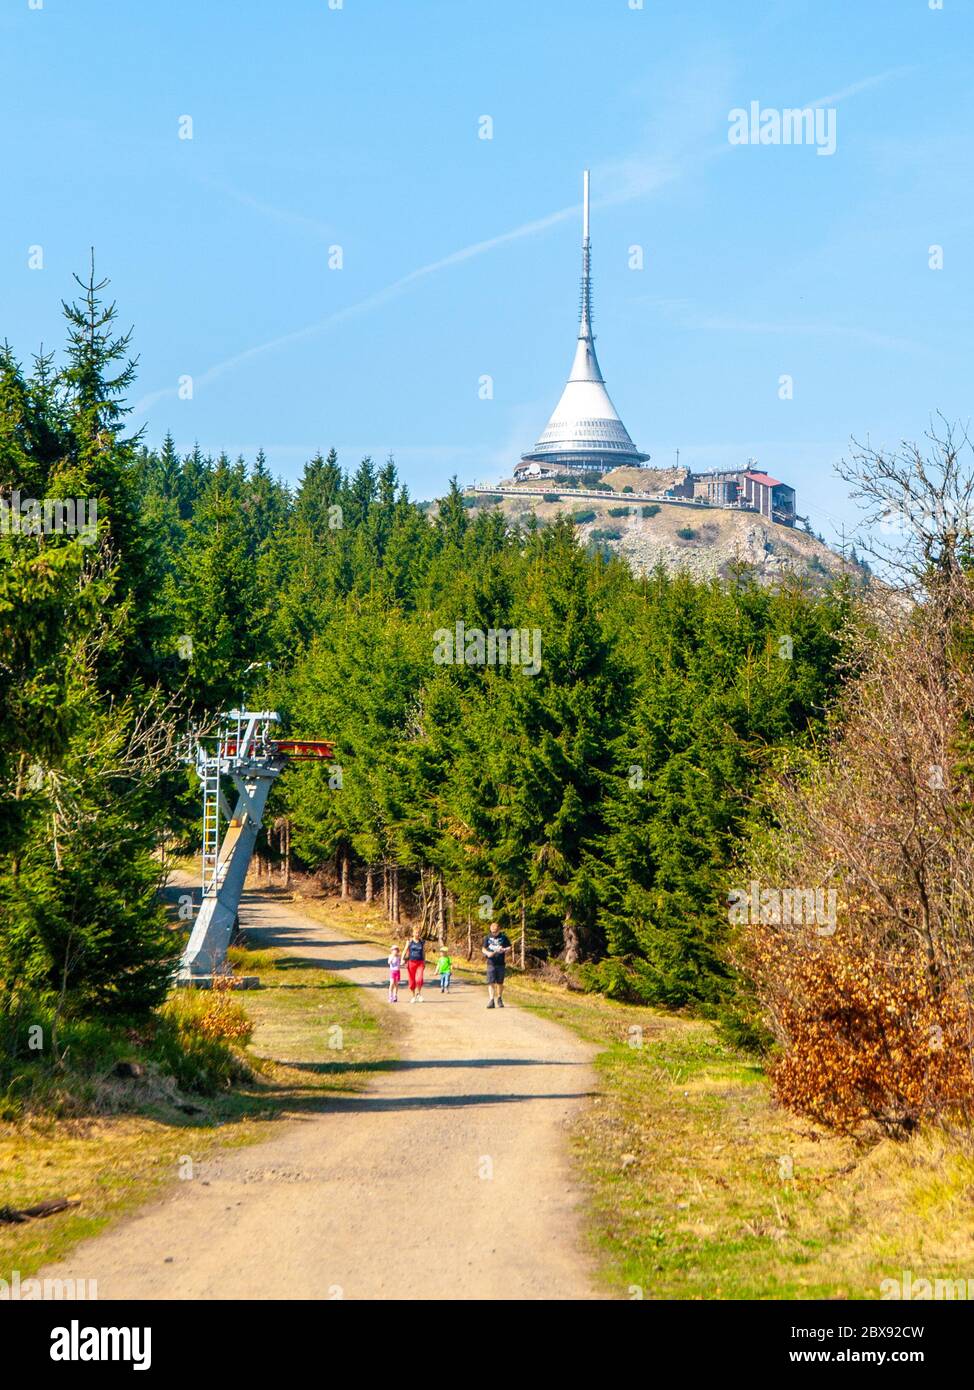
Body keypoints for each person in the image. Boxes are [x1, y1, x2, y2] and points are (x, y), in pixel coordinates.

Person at [482, 925, 511, 1008]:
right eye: (492, 931)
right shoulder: (487, 937)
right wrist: (488, 953)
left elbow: (509, 947)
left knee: (500, 982)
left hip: (501, 963)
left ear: (499, 930)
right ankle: (491, 1000)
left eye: (495, 931)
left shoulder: (503, 937)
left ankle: (499, 998)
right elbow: (483, 948)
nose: (493, 933)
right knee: (490, 982)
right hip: (491, 963)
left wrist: (504, 950)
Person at [404, 927, 427, 1002]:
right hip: (411, 962)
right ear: (413, 933)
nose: (417, 934)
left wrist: (424, 961)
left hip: (420, 962)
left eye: (418, 933)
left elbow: (423, 952)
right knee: (412, 981)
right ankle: (413, 996)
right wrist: (402, 959)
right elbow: (405, 950)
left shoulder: (422, 942)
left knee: (419, 979)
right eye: (416, 932)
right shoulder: (409, 941)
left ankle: (419, 994)